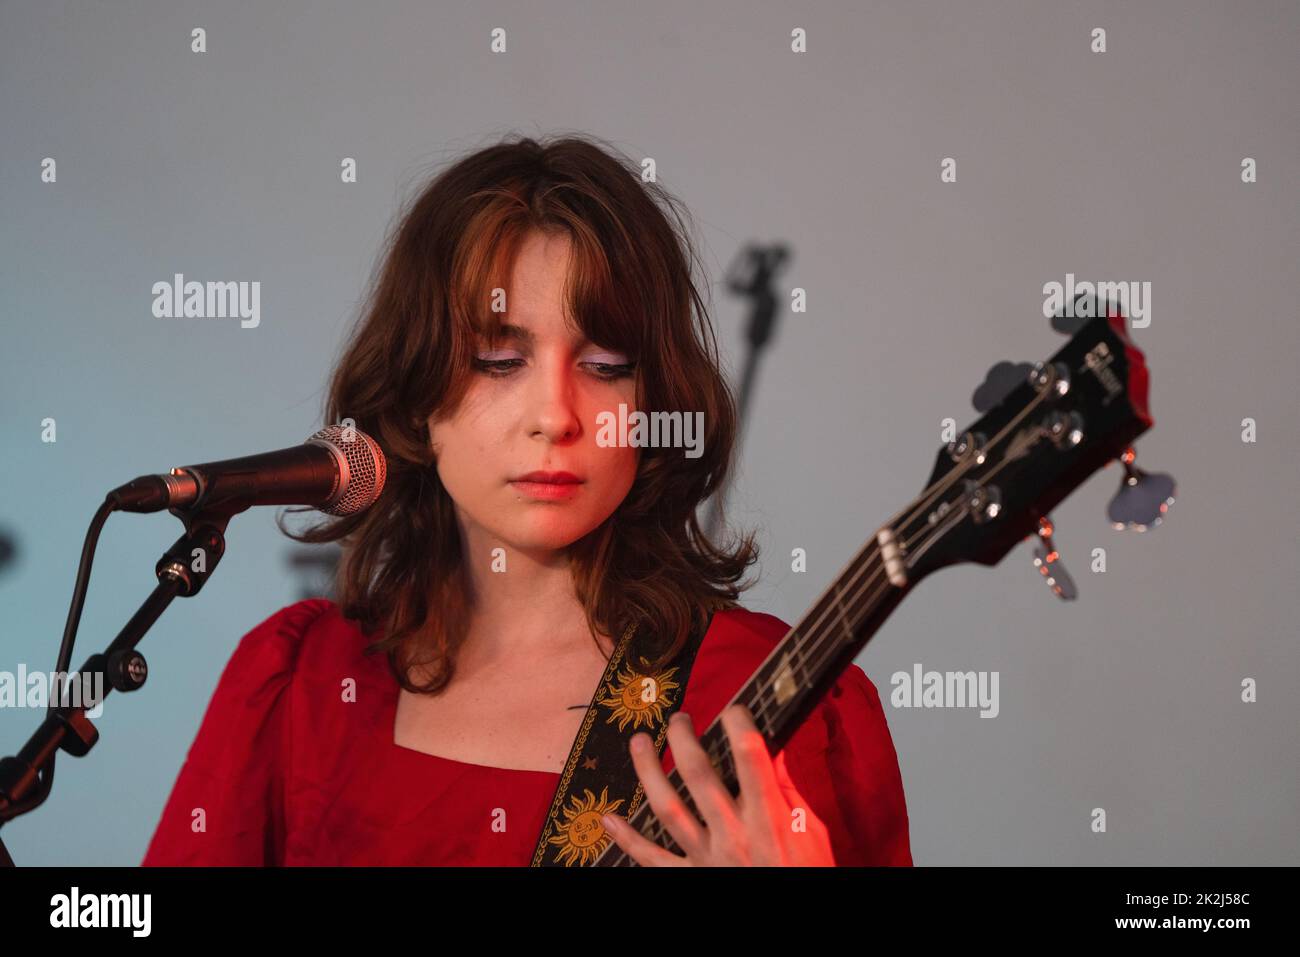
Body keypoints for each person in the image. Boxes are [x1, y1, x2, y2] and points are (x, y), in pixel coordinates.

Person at [142, 133, 912, 867]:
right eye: (499, 359)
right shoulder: (301, 684)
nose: (556, 414)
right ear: (413, 395)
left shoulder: (770, 700)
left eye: (607, 364)